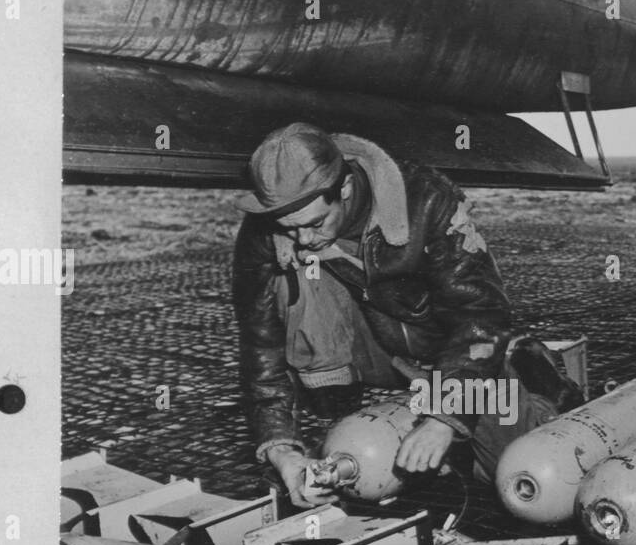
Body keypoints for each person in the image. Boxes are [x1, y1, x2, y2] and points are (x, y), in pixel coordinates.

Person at [232, 122, 583, 506]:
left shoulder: (427, 200)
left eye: (316, 223)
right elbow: (260, 343)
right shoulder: (270, 229)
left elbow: (480, 313)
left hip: (448, 344)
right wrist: (281, 449)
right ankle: (349, 402)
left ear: (345, 188)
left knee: (511, 470)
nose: (303, 239)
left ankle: (528, 369)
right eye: (289, 227)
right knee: (292, 273)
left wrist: (444, 417)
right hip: (373, 343)